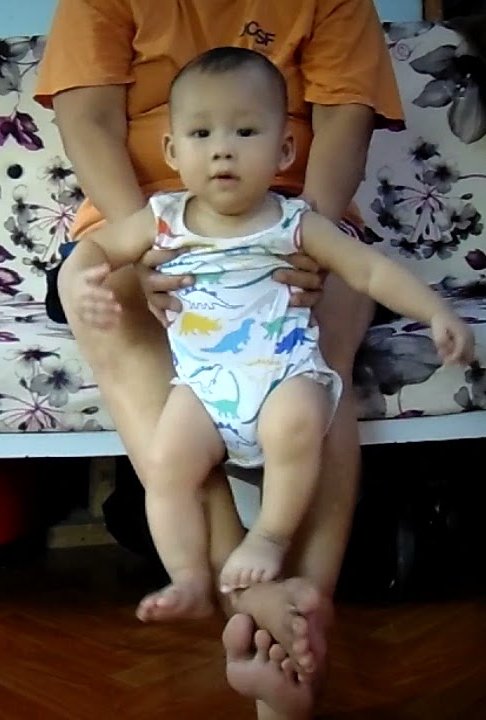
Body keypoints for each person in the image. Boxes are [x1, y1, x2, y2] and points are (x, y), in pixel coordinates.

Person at [34, 1, 408, 717]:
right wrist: (148, 247)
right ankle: (262, 602)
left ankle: (298, 636)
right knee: (126, 329)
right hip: (143, 224)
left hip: (295, 221)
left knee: (318, 354)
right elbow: (87, 120)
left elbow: (343, 126)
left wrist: (307, 245)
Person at [67, 45, 474, 624]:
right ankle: (188, 577)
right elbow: (96, 248)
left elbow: (368, 271)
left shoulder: (294, 223)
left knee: (299, 425)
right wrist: (86, 280)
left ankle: (271, 538)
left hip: (284, 376)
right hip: (204, 387)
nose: (223, 148)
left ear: (285, 150)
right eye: (201, 133)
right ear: (172, 151)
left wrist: (436, 312)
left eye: (246, 131)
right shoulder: (162, 219)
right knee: (165, 464)